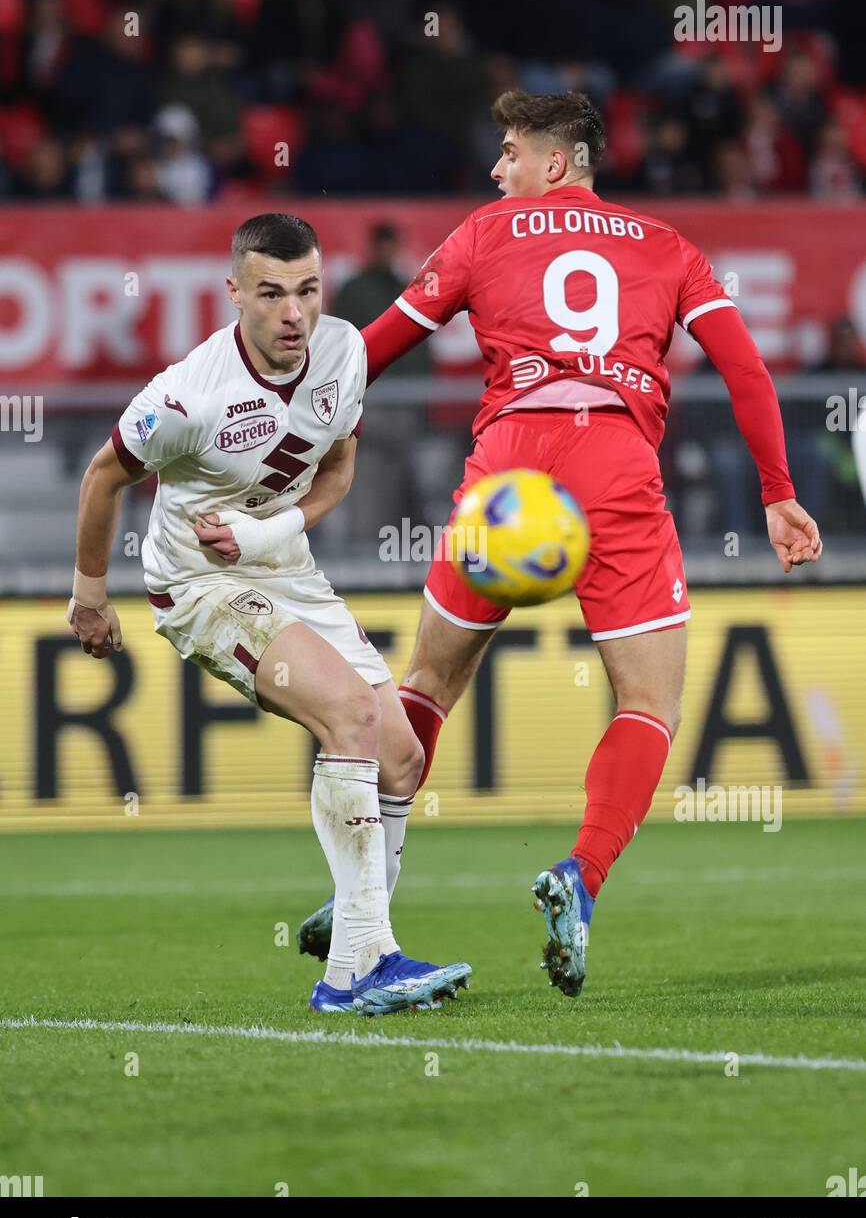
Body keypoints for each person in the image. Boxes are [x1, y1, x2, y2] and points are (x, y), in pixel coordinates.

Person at [298, 90, 823, 1000]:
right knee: (650, 702)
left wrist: (291, 437)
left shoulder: (481, 235)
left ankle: (365, 894)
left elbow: (369, 353)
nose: (496, 169)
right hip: (614, 463)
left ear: (556, 162)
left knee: (427, 685)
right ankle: (579, 874)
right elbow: (746, 370)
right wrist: (778, 494)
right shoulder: (669, 247)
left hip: (508, 471)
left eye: (508, 152)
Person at [66, 212, 470, 1017]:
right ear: (235, 295)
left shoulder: (345, 352)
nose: (295, 314)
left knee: (400, 757)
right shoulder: (187, 395)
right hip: (200, 588)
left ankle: (362, 919)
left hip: (287, 571)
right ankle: (358, 965)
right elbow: (103, 476)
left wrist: (271, 529)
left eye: (309, 291)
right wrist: (89, 594)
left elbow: (339, 469)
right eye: (273, 294)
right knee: (352, 716)